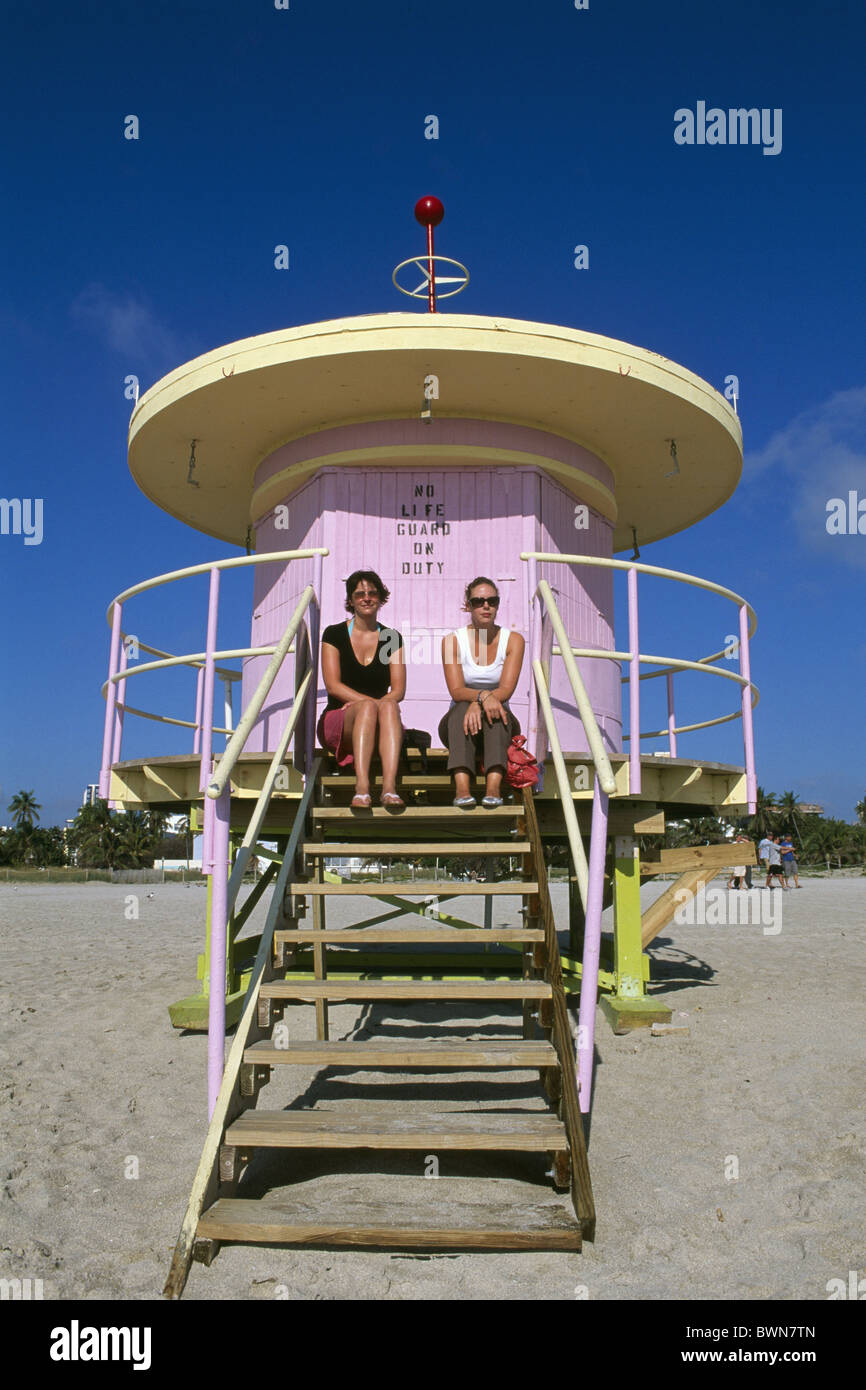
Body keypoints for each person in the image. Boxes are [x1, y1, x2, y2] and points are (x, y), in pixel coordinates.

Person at [318, 570, 406, 809]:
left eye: (372, 593)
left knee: (388, 704)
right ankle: (362, 788)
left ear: (381, 597)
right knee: (370, 706)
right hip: (339, 720)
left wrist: (378, 705)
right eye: (359, 594)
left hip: (380, 721)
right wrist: (368, 704)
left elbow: (398, 690)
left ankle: (389, 789)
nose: (366, 598)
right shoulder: (334, 634)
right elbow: (333, 685)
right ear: (350, 600)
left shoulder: (391, 637)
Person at [439, 576, 525, 809]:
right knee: (462, 710)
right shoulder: (451, 641)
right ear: (468, 605)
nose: (485, 606)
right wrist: (481, 697)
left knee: (496, 713)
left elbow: (506, 689)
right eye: (478, 601)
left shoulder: (514, 640)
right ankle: (462, 788)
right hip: (459, 719)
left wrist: (483, 700)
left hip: (500, 717)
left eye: (492, 601)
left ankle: (493, 787)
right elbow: (456, 691)